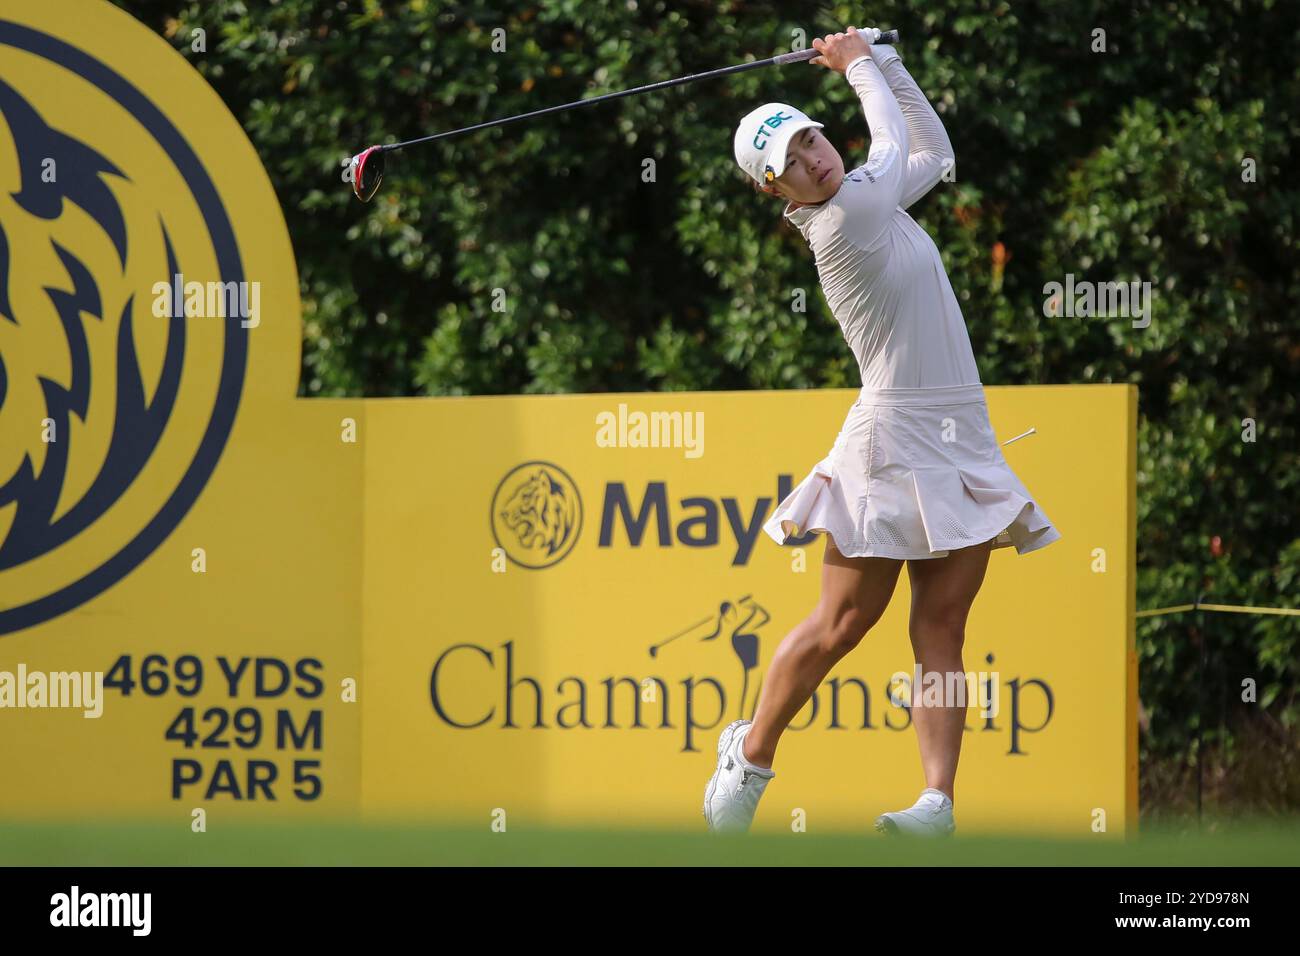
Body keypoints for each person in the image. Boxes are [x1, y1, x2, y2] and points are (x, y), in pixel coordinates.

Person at [703, 27, 1061, 836]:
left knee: (941, 627)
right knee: (843, 624)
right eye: (790, 164)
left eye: (810, 139)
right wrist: (859, 59)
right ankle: (751, 756)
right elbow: (896, 138)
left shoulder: (870, 192)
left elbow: (930, 149)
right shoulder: (844, 220)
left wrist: (887, 63)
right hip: (891, 440)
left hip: (962, 436)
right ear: (778, 192)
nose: (811, 161)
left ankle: (937, 802)